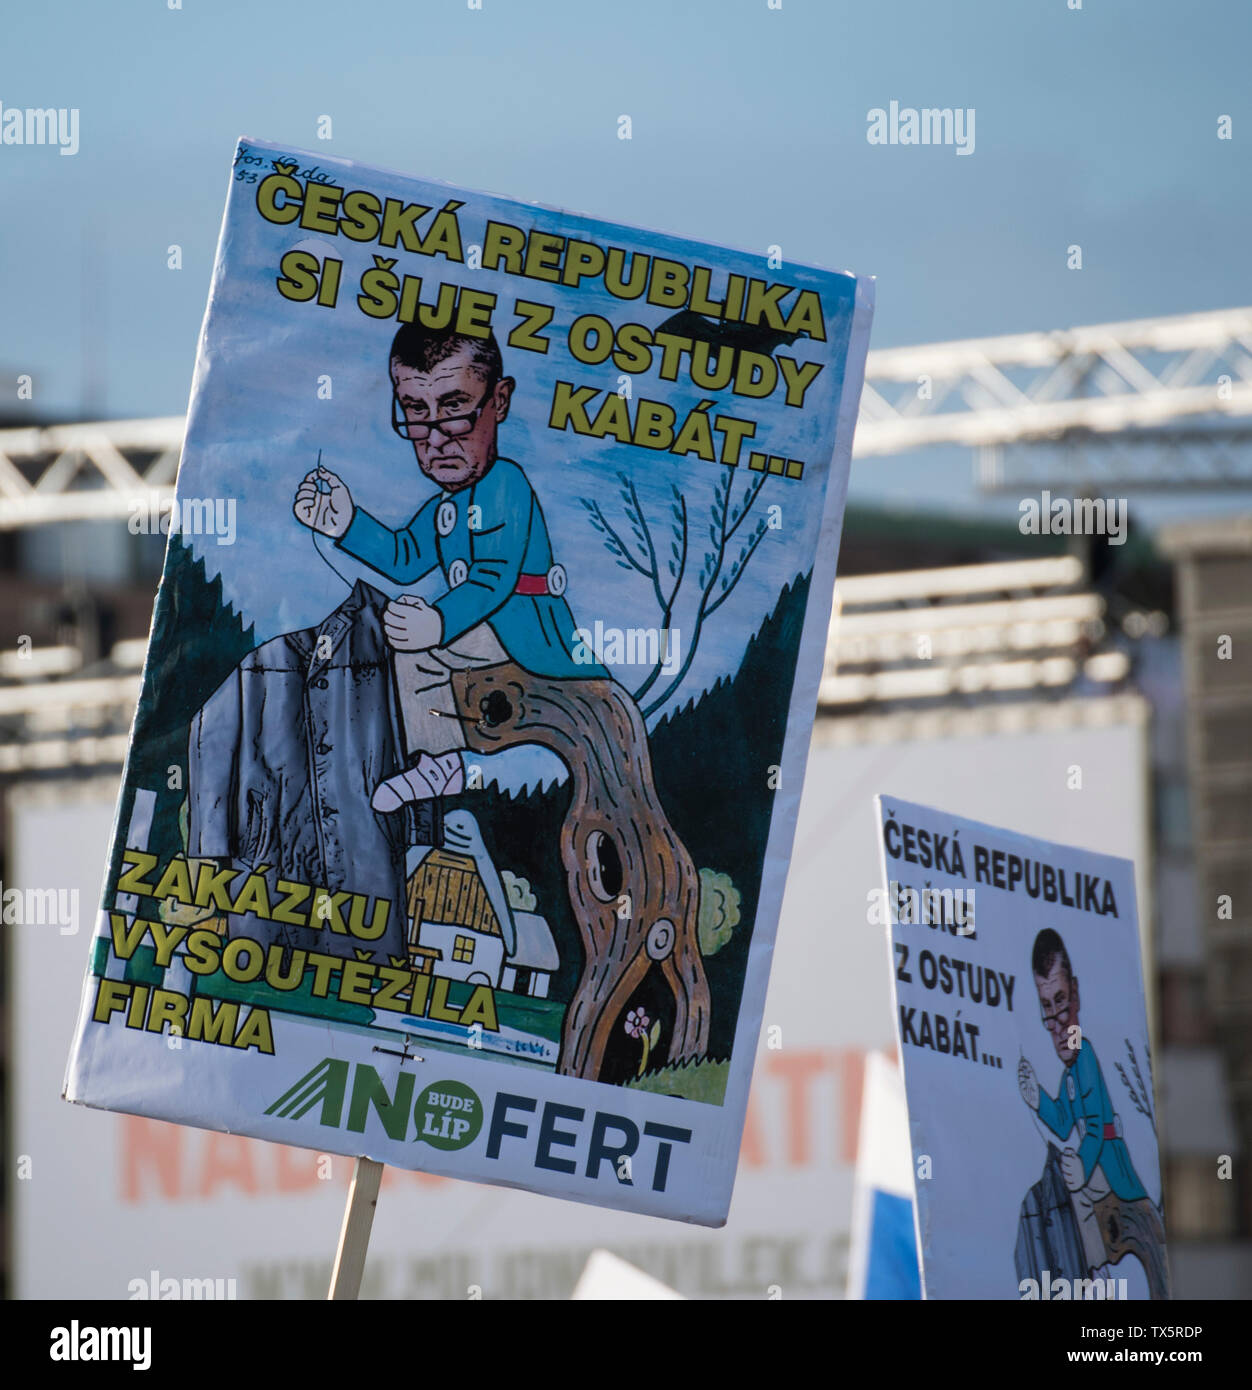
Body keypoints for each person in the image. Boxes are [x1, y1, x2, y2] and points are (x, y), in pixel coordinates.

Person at [293, 322, 605, 809]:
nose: (436, 437)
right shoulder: (446, 504)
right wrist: (346, 523)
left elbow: (493, 579)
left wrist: (437, 622)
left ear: (498, 402)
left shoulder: (507, 485)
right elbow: (404, 557)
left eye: (455, 409)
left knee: (422, 648)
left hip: (527, 635)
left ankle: (456, 769)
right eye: (417, 413)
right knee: (408, 649)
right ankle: (433, 763)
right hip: (480, 635)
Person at [1017, 928, 1153, 1283]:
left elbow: (1095, 1127)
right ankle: (1093, 1271)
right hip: (1093, 1170)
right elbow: (1064, 1122)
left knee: (1075, 1188)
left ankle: (1098, 1276)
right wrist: (1037, 1099)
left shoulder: (1086, 1056)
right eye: (1046, 1007)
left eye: (1060, 1002)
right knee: (1068, 1191)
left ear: (1075, 995)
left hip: (1110, 1166)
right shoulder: (1069, 1074)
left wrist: (1081, 1161)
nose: (1057, 1023)